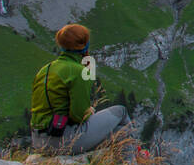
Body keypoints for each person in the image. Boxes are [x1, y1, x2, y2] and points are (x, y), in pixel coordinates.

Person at [30, 24, 129, 155]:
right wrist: (89, 111)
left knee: (118, 133)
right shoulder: (79, 71)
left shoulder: (45, 69)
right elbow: (78, 115)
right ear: (85, 44)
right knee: (121, 112)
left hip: (38, 140)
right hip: (61, 140)